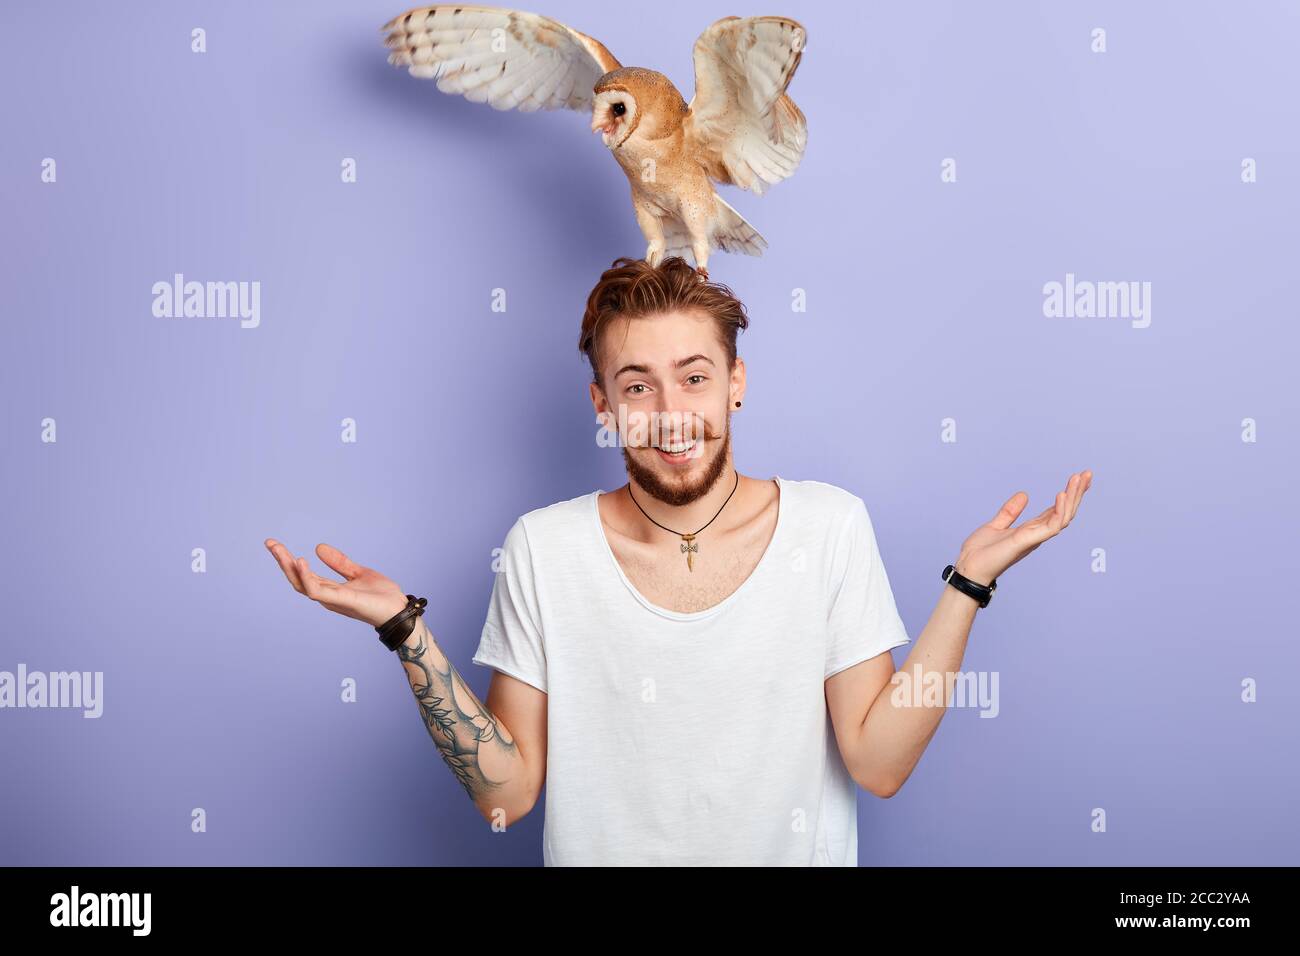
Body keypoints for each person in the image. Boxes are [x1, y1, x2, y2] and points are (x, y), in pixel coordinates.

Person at [265, 255, 1092, 865]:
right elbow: (507, 796)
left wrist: (967, 585)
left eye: (693, 378)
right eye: (637, 386)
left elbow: (877, 765)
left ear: (736, 381)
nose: (669, 414)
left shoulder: (829, 527)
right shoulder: (543, 550)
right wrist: (406, 633)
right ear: (602, 404)